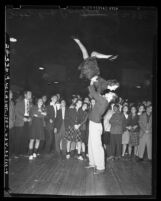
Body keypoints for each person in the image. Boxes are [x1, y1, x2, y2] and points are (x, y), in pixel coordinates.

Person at [86, 83, 117, 174]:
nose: (108, 93)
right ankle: (92, 163)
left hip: (95, 125)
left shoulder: (104, 101)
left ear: (110, 98)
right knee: (91, 145)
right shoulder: (103, 99)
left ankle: (100, 167)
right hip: (93, 124)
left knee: (97, 147)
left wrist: (91, 83)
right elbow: (97, 92)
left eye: (110, 94)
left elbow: (94, 93)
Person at [15, 90, 33, 157]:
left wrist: (30, 118)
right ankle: (16, 153)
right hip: (20, 121)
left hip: (28, 121)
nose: (30, 95)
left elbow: (31, 113)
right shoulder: (19, 102)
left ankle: (23, 152)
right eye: (29, 94)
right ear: (25, 95)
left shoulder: (31, 104)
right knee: (18, 137)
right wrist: (23, 118)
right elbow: (16, 112)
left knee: (25, 137)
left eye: (31, 94)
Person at [9, 90, 15, 159]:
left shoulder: (12, 102)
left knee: (11, 139)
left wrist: (13, 120)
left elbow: (13, 112)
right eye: (11, 94)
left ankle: (10, 155)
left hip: (12, 124)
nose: (12, 95)